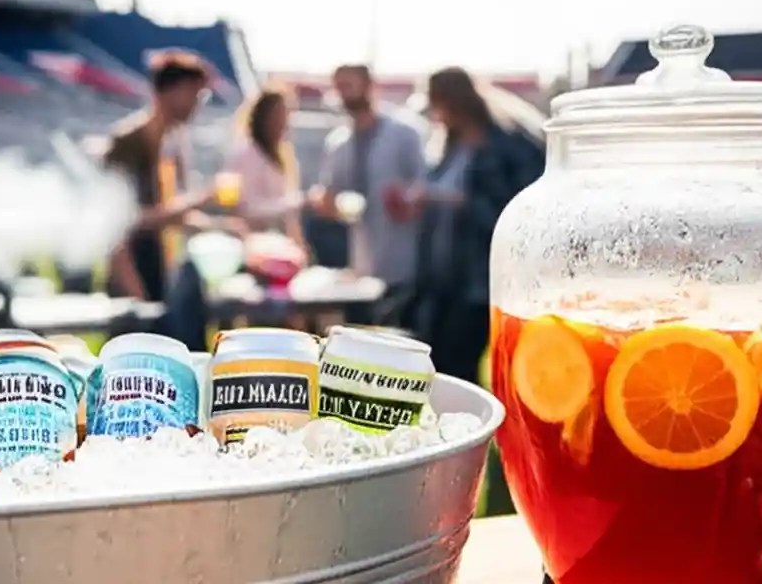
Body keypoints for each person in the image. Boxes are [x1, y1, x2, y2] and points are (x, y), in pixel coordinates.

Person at [407, 66, 541, 517]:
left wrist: (455, 201)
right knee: (444, 377)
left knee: (473, 379)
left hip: (483, 284)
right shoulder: (447, 147)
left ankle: (485, 469)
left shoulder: (505, 146)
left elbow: (516, 208)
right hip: (445, 282)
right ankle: (448, 468)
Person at [308, 64, 425, 326]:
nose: (344, 93)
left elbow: (423, 182)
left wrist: (408, 199)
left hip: (403, 258)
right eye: (339, 87)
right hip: (361, 262)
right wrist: (326, 204)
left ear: (369, 86)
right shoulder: (339, 142)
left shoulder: (405, 133)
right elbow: (330, 192)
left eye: (349, 85)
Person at [102, 52, 213, 303]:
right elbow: (120, 223)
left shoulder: (175, 142)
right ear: (170, 91)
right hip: (134, 280)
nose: (198, 104)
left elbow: (171, 213)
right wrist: (135, 292)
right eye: (194, 94)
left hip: (164, 273)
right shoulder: (128, 142)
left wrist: (220, 227)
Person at [223, 83, 308, 251]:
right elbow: (246, 209)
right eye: (277, 115)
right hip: (251, 245)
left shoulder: (284, 154)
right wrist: (297, 202)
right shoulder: (245, 153)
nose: (283, 122)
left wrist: (298, 244)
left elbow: (290, 218)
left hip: (280, 246)